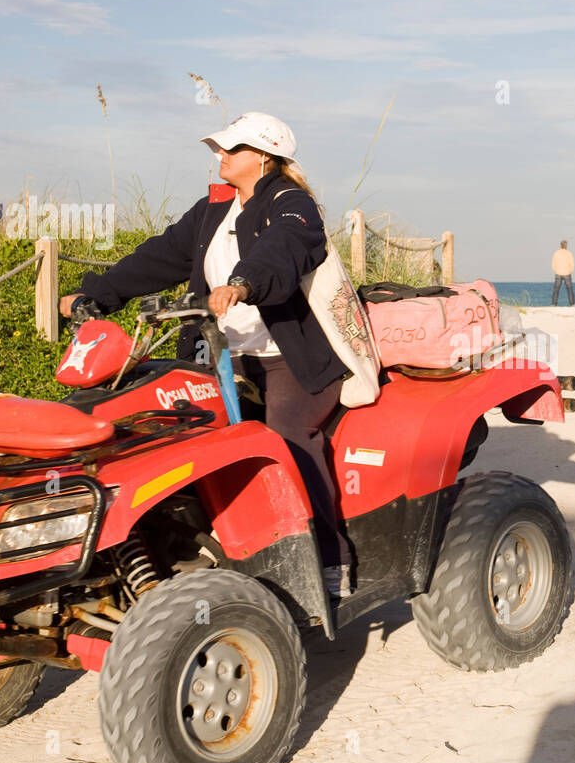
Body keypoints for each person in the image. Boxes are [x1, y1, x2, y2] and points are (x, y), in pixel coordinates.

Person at [58, 111, 355, 596]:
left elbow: (284, 248)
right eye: (219, 147)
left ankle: (329, 559)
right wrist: (98, 294)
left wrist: (243, 284)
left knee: (289, 436)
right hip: (217, 353)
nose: (220, 155)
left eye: (232, 149)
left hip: (286, 356)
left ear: (263, 156)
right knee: (159, 431)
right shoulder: (213, 211)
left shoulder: (292, 203)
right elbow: (158, 258)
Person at [550, 239, 575, 306]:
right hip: (567, 272)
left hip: (558, 272)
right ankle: (572, 304)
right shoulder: (569, 253)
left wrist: (556, 270)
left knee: (556, 289)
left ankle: (554, 304)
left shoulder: (556, 253)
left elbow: (553, 263)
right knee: (569, 289)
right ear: (566, 246)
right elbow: (572, 264)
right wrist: (570, 271)